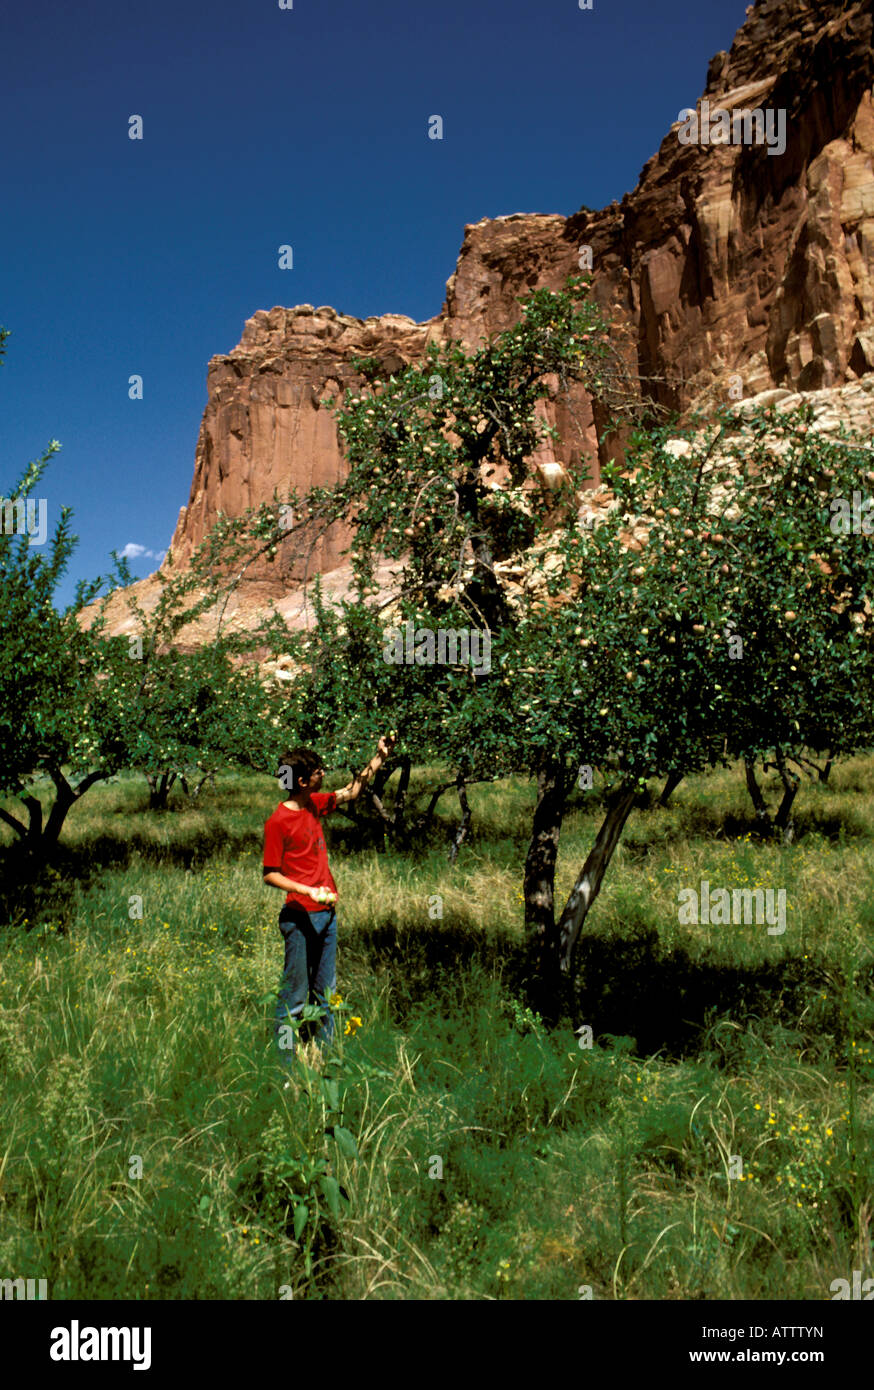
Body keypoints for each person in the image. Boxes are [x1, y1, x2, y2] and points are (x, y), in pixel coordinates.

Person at [262, 734, 396, 1070]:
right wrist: (306, 890)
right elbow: (270, 873)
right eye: (319, 771)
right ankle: (285, 1069)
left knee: (327, 994)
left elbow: (352, 791)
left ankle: (327, 1058)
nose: (325, 772)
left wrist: (378, 758)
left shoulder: (314, 803)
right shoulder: (278, 822)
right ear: (304, 780)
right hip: (299, 918)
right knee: (294, 998)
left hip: (327, 914)